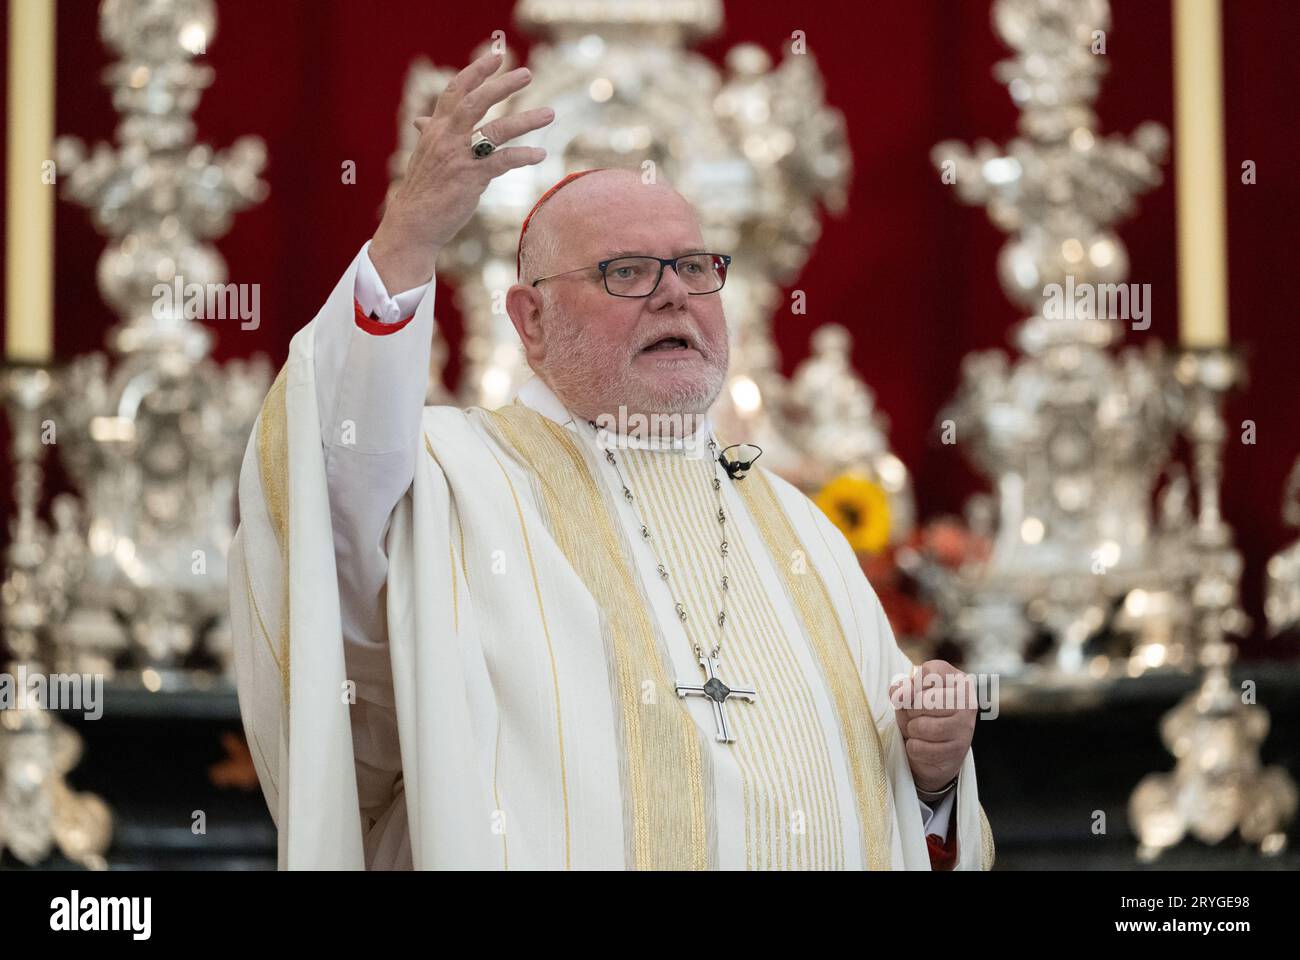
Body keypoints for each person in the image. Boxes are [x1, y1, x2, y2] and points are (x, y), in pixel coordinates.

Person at [228, 50, 991, 870]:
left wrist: (935, 776)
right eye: (625, 272)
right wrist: (407, 235)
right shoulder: (452, 484)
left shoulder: (800, 528)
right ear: (531, 320)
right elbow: (321, 479)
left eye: (697, 268)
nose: (675, 295)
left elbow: (905, 819)